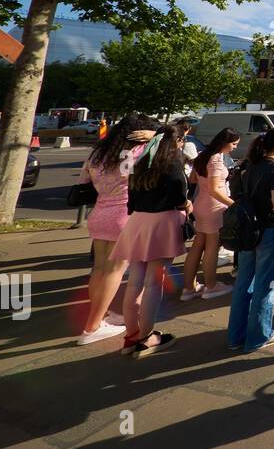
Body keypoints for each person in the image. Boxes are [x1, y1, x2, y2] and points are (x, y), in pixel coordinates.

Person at [72, 114, 154, 345]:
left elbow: (83, 181)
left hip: (99, 214)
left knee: (99, 269)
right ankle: (92, 327)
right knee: (115, 272)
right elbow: (134, 176)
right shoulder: (132, 153)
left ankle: (99, 315)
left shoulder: (97, 153)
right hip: (123, 215)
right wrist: (153, 137)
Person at [113, 123, 191, 357]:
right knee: (154, 282)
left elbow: (132, 196)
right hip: (162, 222)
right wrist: (185, 205)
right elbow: (179, 192)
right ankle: (147, 336)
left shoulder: (142, 161)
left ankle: (131, 335)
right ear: (177, 142)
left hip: (138, 221)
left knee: (135, 281)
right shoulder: (172, 162)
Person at [227, 129, 274, 353]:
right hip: (271, 230)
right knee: (267, 285)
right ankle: (259, 335)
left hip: (248, 231)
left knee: (244, 284)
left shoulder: (250, 165)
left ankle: (236, 336)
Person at [181, 127, 240, 301]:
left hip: (201, 204)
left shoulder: (203, 156)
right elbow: (215, 190)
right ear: (225, 142)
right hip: (214, 207)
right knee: (212, 247)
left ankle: (188, 288)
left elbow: (192, 179)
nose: (235, 147)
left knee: (198, 245)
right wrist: (234, 204)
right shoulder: (215, 159)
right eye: (234, 144)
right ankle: (211, 285)